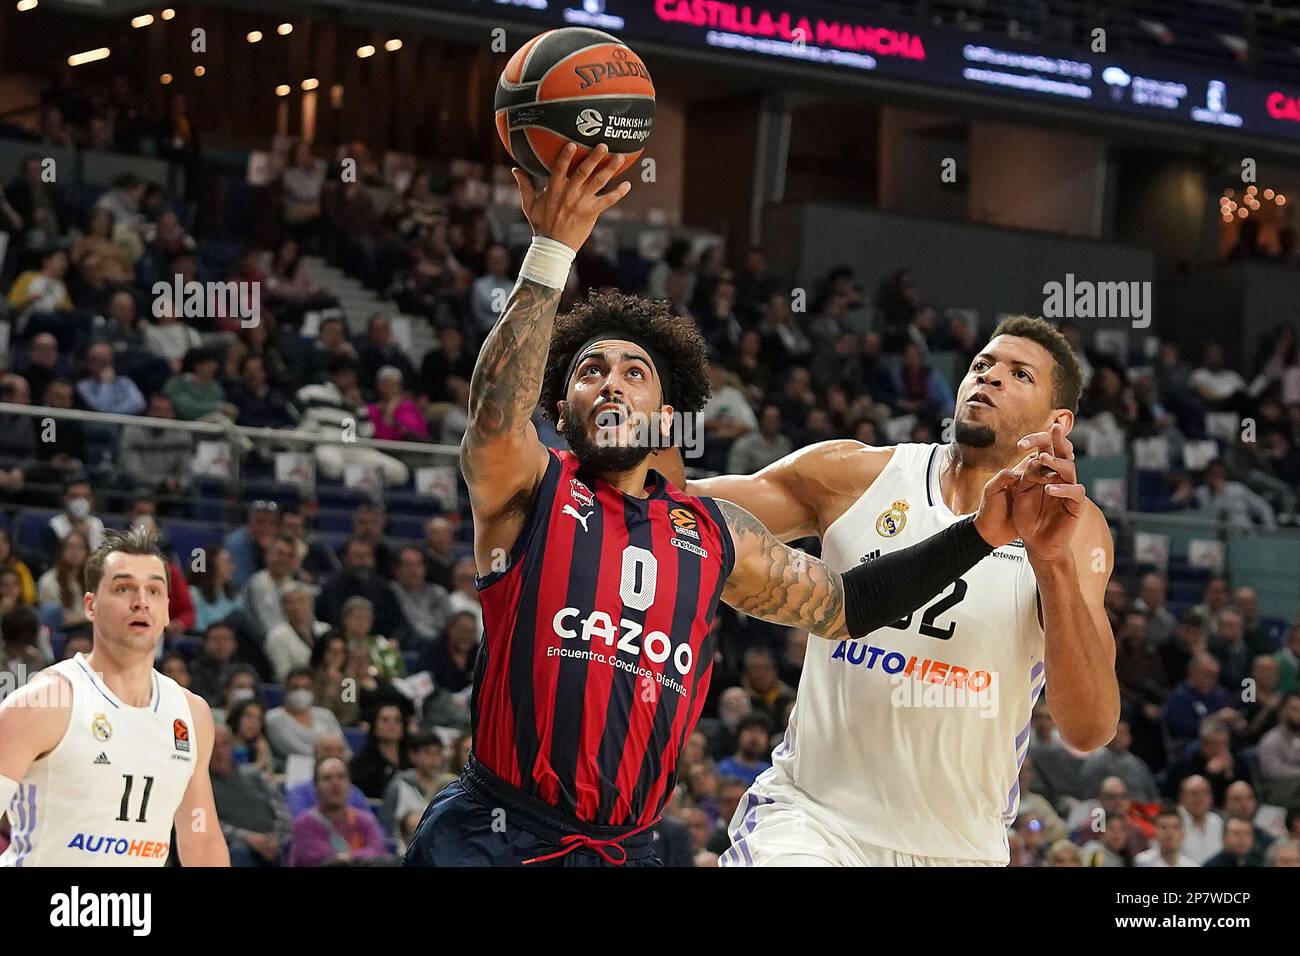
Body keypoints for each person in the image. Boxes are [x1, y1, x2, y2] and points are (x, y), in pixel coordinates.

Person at [405, 145, 1038, 867]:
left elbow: (849, 605)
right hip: (492, 833)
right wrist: (552, 251)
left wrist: (981, 533)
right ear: (562, 407)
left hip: (625, 852)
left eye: (634, 372)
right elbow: (492, 417)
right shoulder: (531, 489)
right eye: (589, 371)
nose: (610, 383)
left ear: (668, 419)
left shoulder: (711, 537)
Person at [672, 311, 1120, 867]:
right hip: (814, 822)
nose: (990, 377)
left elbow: (1090, 727)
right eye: (982, 365)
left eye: (1019, 374)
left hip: (960, 847)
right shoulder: (855, 476)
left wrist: (1051, 564)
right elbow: (678, 508)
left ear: (1059, 422)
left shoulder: (1074, 530)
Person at [0, 527, 228, 865]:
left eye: (154, 590)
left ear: (167, 609)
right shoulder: (43, 704)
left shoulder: (191, 714)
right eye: (124, 588)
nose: (140, 601)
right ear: (90, 605)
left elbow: (202, 841)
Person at [209, 725, 291, 867]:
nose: (219, 751)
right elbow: (211, 825)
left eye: (224, 744)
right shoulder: (204, 785)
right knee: (239, 851)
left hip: (272, 842)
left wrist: (275, 838)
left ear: (232, 746)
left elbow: (282, 812)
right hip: (236, 847)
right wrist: (248, 838)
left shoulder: (256, 775)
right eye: (213, 745)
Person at [289, 758, 389, 867]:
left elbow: (378, 853)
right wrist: (360, 855)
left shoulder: (366, 820)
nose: (335, 783)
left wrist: (347, 857)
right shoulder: (304, 825)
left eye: (341, 777)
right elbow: (326, 861)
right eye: (327, 778)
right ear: (316, 787)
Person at [381, 733, 456, 841]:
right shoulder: (399, 785)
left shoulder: (450, 787)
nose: (434, 759)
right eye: (428, 753)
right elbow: (386, 828)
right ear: (413, 755)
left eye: (438, 753)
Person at [264, 667, 344, 761]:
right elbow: (294, 749)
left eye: (306, 688)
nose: (301, 692)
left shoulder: (326, 715)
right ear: (286, 689)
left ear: (313, 689)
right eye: (295, 687)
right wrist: (327, 757)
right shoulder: (273, 718)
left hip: (333, 765)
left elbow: (342, 745)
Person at [284, 734, 370, 818]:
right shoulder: (299, 793)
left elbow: (370, 827)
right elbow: (298, 826)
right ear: (316, 754)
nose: (334, 754)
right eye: (327, 749)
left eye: (339, 750)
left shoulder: (356, 795)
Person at [264, 584, 331, 682]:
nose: (296, 607)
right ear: (283, 608)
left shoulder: (325, 629)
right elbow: (283, 675)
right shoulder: (277, 636)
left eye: (301, 601)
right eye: (290, 603)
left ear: (311, 604)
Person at [392, 545, 450, 647]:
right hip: (405, 645)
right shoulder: (390, 592)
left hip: (437, 647)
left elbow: (447, 627)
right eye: (407, 565)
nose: (413, 570)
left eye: (418, 565)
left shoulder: (438, 593)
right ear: (397, 570)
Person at [349, 703, 410, 800]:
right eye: (385, 719)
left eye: (397, 720)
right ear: (374, 725)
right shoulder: (361, 764)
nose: (392, 724)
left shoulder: (412, 761)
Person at [37, 478, 105, 562]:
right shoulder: (54, 527)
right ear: (65, 499)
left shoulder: (97, 524)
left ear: (92, 500)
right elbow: (51, 562)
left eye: (86, 497)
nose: (81, 502)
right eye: (74, 497)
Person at [37, 531, 91, 630]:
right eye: (71, 547)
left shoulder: (94, 579)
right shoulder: (48, 581)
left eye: (80, 548)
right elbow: (54, 616)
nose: (75, 552)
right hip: (62, 631)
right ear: (61, 551)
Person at [189, 545, 244, 632]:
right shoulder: (193, 594)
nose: (233, 567)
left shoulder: (236, 596)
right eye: (227, 562)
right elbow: (198, 628)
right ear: (212, 564)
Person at [1176, 775, 1224, 864]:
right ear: (1181, 797)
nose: (1199, 798)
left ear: (1211, 797)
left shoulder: (1217, 821)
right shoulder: (1173, 821)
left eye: (1204, 792)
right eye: (1194, 793)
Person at [715, 713, 772, 787]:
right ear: (738, 735)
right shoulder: (723, 769)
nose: (755, 736)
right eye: (750, 730)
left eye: (761, 731)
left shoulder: (769, 773)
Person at [1134, 806, 1199, 867]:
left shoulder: (1192, 865)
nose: (1169, 832)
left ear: (1182, 834)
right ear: (1155, 833)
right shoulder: (1141, 862)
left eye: (1175, 827)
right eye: (1164, 827)